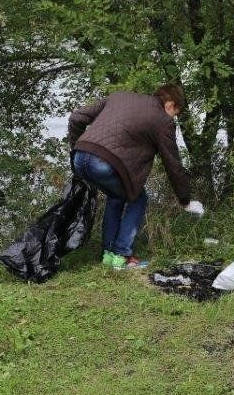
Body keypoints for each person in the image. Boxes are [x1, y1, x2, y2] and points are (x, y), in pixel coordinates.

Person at [67, 84, 204, 270]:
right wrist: (185, 200)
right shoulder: (162, 120)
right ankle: (122, 254)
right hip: (103, 164)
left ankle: (109, 255)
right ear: (171, 105)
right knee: (138, 198)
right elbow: (173, 165)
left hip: (79, 157)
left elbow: (76, 117)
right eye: (176, 113)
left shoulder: (119, 96)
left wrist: (78, 148)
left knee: (117, 196)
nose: (174, 118)